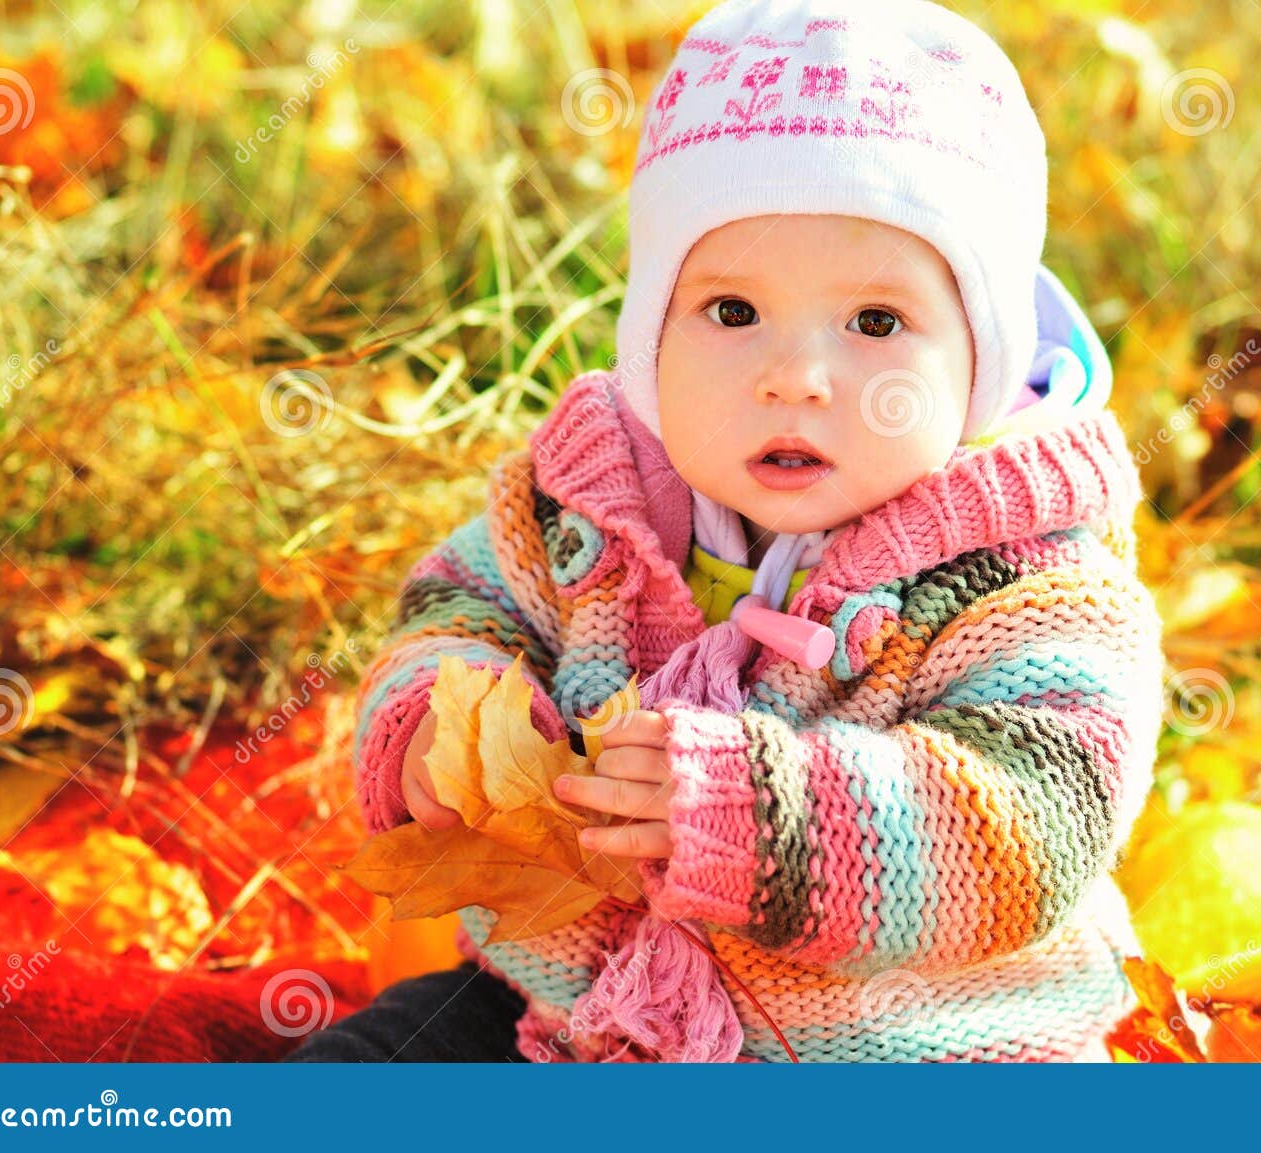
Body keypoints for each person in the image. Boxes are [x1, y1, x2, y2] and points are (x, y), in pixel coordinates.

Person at [285, 0, 1164, 1064]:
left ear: (980, 353)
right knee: (355, 1072)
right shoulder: (586, 506)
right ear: (651, 330)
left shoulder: (1028, 577)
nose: (792, 376)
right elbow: (458, 608)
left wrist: (759, 817)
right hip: (583, 1012)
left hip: (910, 1046)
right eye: (732, 312)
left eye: (875, 323)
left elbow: (1035, 822)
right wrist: (441, 721)